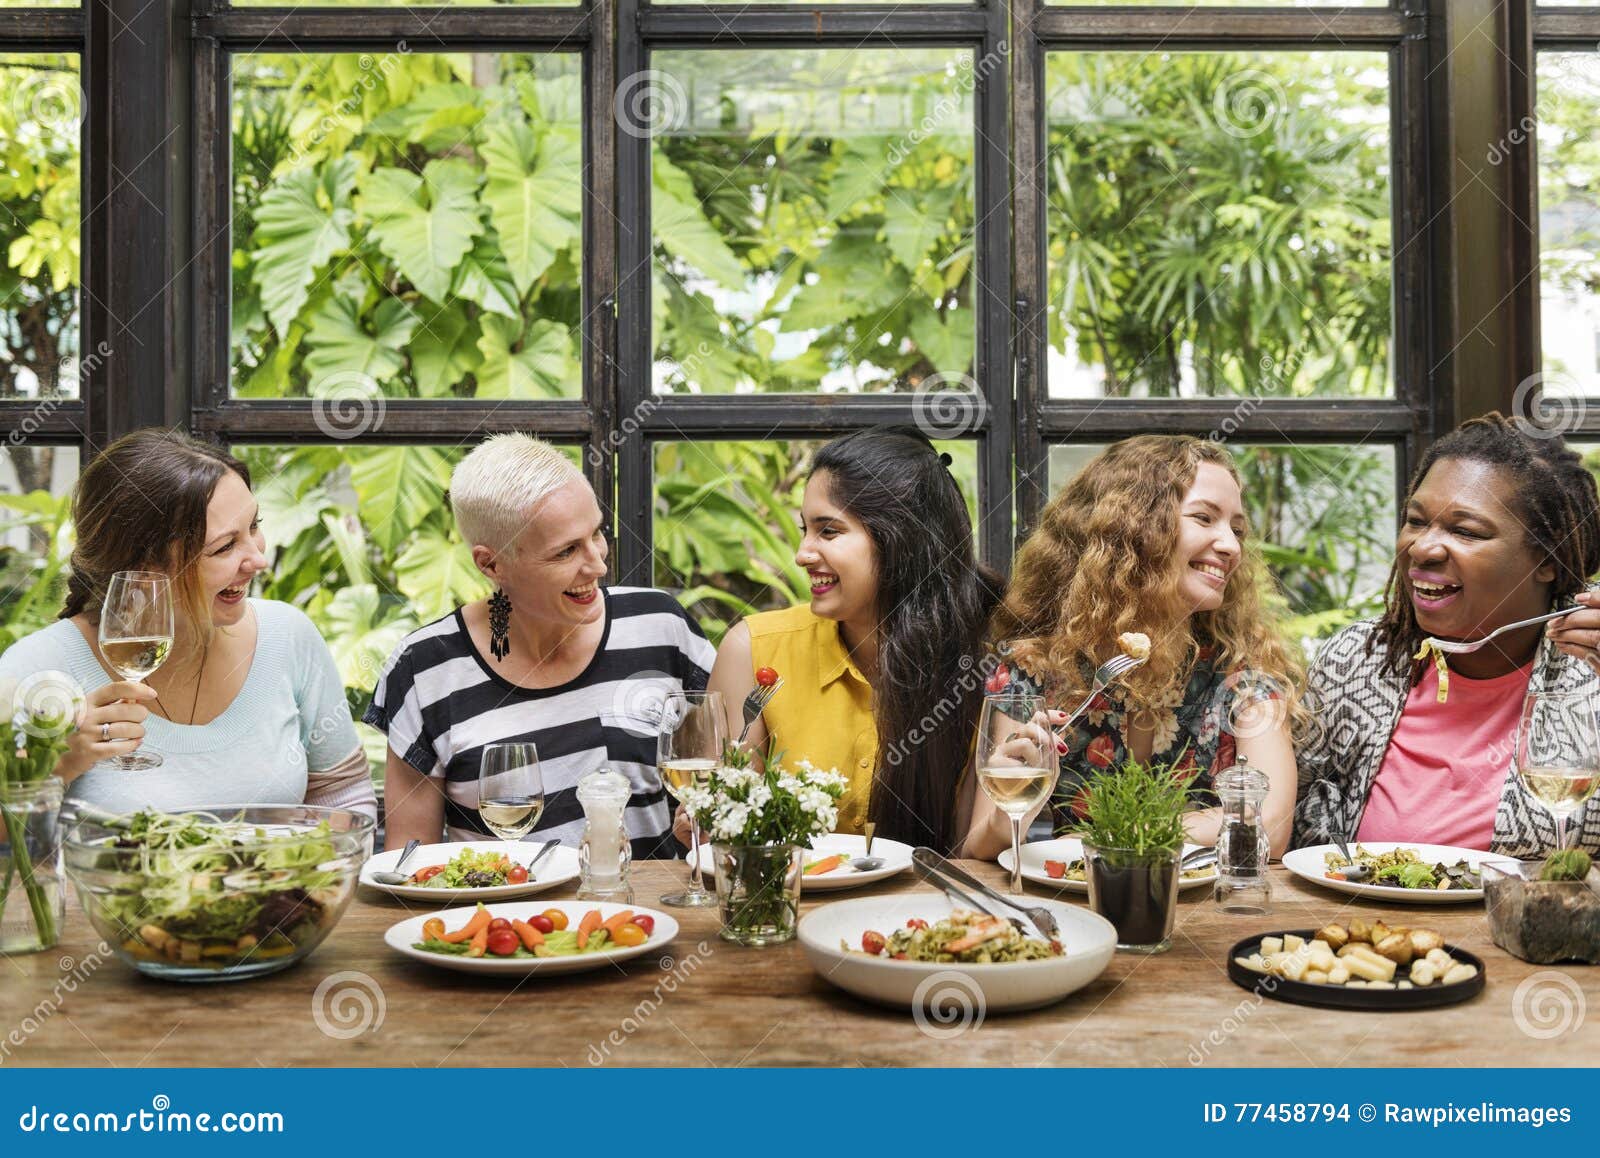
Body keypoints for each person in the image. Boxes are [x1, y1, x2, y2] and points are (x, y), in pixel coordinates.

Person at [368, 433, 713, 855]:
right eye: (566, 552)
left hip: (650, 917)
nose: (599, 563)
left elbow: (722, 772)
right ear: (491, 563)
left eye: (597, 534)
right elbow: (409, 859)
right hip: (506, 921)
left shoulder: (659, 624)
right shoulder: (424, 669)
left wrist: (706, 820)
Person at [0, 429, 374, 818]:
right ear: (143, 568)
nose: (258, 560)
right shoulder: (40, 670)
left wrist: (323, 873)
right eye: (225, 547)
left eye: (254, 526)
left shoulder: (287, 634)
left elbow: (342, 792)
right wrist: (60, 766)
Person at [1295, 414, 1600, 856]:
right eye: (1416, 521)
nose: (1422, 548)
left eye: (1464, 531)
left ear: (1548, 561)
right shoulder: (1354, 661)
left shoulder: (1589, 671)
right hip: (1367, 924)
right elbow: (1276, 824)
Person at [698, 427, 1008, 856]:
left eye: (828, 532)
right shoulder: (753, 650)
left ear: (902, 539)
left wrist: (1015, 796)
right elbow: (732, 833)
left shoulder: (982, 667)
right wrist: (711, 822)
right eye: (806, 529)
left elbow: (966, 855)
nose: (802, 553)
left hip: (925, 916)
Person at [987, 435, 1303, 856]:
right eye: (1205, 518)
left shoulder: (1243, 672)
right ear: (1134, 530)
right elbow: (978, 846)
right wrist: (1018, 800)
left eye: (1237, 529)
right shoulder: (1033, 670)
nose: (1231, 545)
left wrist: (1107, 834)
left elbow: (1269, 825)